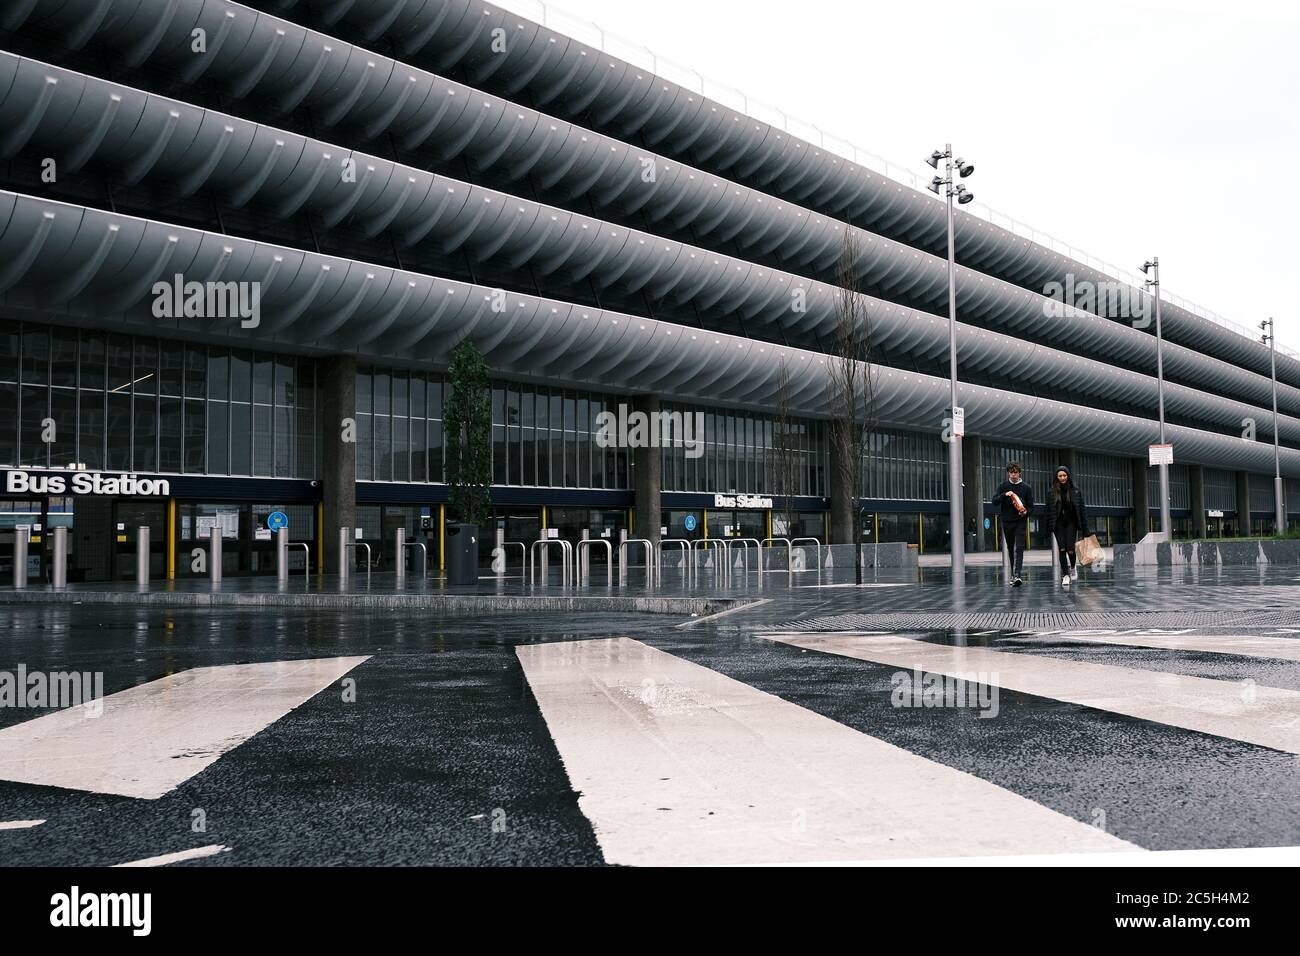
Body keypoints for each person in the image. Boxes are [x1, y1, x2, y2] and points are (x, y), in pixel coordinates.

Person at [1046, 465, 1090, 587]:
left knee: (1070, 549)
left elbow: (1082, 511)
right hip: (1058, 524)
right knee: (1062, 549)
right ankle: (1065, 575)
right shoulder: (1051, 492)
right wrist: (1047, 528)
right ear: (1057, 477)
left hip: (1072, 523)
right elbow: (1047, 511)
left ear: (1068, 476)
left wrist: (1086, 530)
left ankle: (1073, 567)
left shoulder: (1075, 491)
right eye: (1060, 476)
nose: (1062, 478)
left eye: (1064, 475)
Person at [993, 462, 1034, 586]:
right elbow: (994, 501)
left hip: (1020, 521)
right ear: (1008, 473)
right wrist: (1005, 495)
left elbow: (1031, 507)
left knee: (1019, 547)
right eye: (1011, 472)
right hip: (1007, 521)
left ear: (1019, 473)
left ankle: (1017, 575)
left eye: (1016, 472)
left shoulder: (1026, 488)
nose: (1013, 475)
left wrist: (1025, 512)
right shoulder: (1003, 486)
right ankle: (1013, 573)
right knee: (1010, 548)